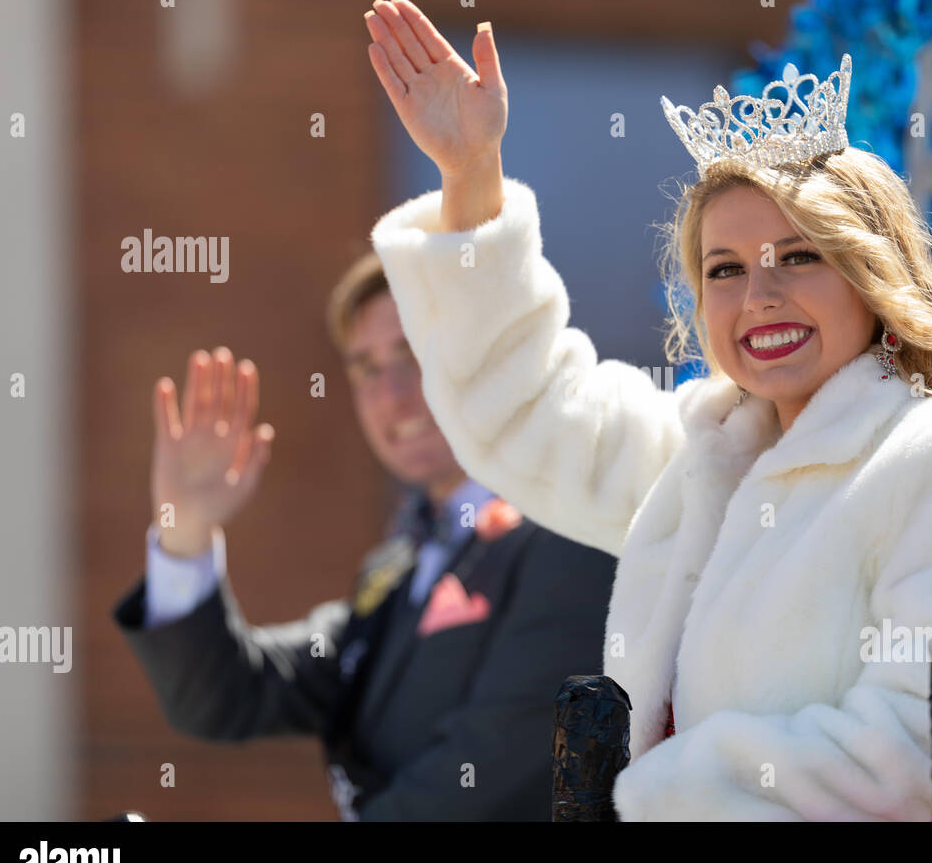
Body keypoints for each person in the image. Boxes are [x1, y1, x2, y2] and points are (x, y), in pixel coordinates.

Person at [361, 0, 932, 821]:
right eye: (724, 270)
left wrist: (662, 794)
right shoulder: (701, 452)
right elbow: (528, 412)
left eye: (797, 258)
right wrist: (470, 175)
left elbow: (926, 752)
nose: (758, 298)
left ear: (871, 278)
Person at [111, 252, 617, 821]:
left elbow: (487, 774)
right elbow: (223, 698)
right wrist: (187, 526)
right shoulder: (394, 569)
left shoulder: (575, 532)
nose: (390, 394)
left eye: (415, 355)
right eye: (365, 368)